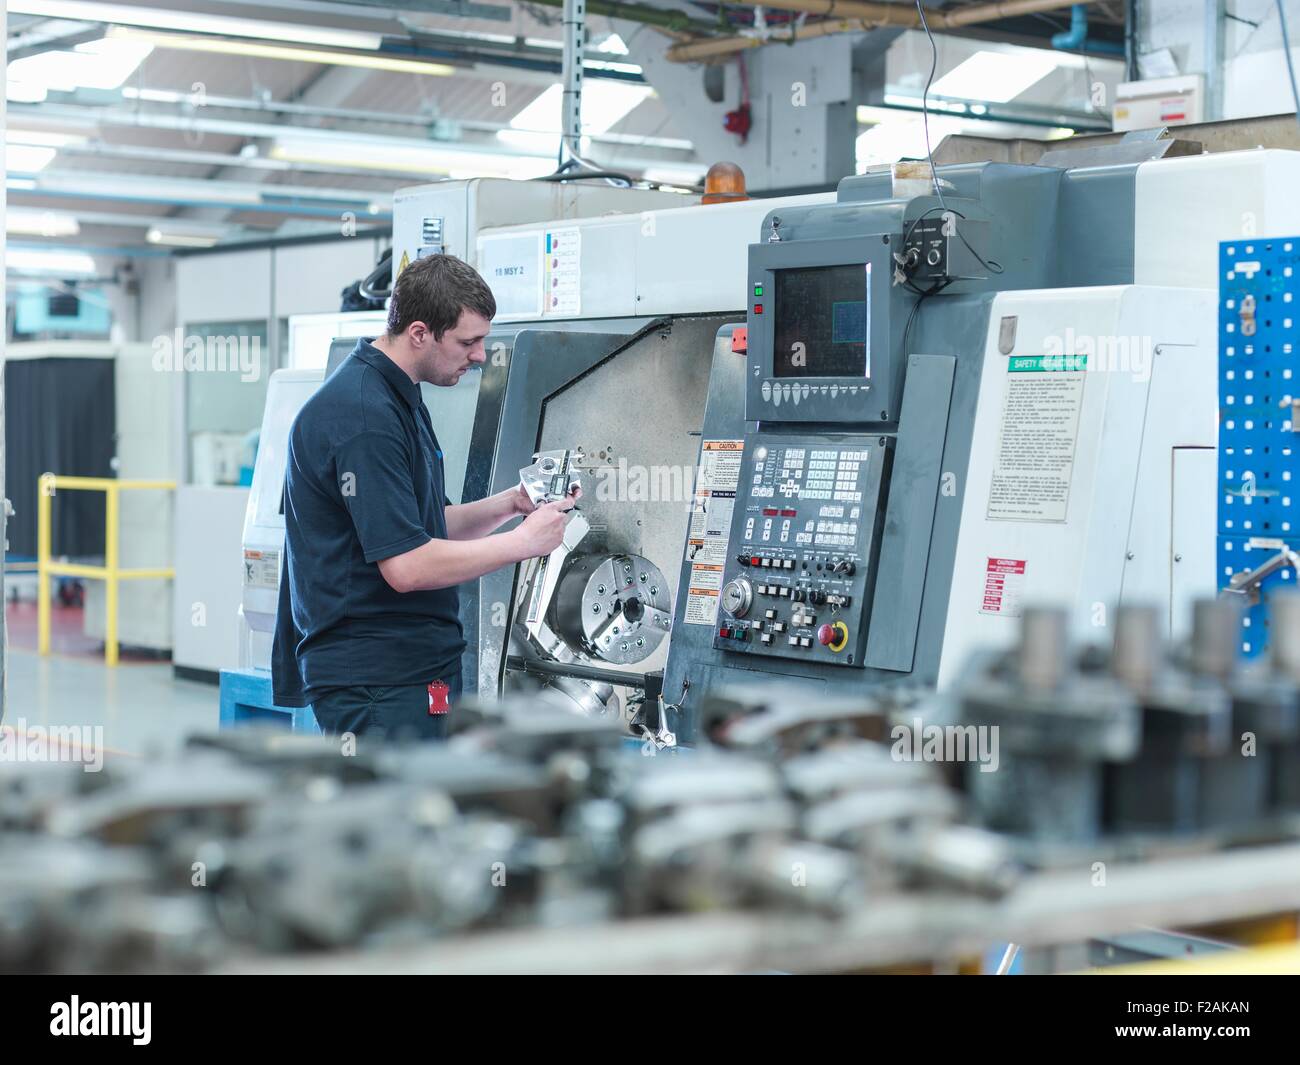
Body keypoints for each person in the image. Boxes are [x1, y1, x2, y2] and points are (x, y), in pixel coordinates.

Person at [271, 253, 577, 740]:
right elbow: (408, 566)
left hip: (410, 672)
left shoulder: (396, 396)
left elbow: (424, 525)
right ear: (419, 333)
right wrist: (525, 544)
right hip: (377, 681)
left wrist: (513, 505)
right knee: (394, 813)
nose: (480, 355)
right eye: (468, 342)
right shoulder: (364, 416)